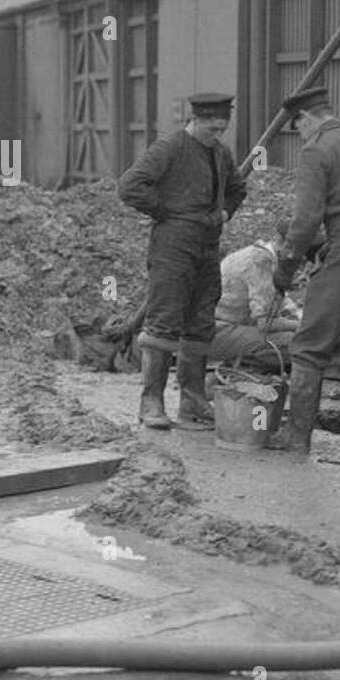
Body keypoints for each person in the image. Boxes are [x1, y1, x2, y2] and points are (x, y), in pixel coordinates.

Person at [267, 87, 340, 457]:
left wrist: (285, 268)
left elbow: (305, 221)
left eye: (297, 126)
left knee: (309, 346)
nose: (298, 133)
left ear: (307, 118)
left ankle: (297, 438)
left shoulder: (317, 149)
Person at [118, 93, 246, 430]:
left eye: (222, 128)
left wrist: (224, 212)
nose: (216, 133)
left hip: (207, 247)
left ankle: (192, 404)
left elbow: (237, 188)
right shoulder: (170, 148)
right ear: (195, 120)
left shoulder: (220, 152)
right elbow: (130, 186)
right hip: (172, 247)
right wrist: (166, 211)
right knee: (163, 323)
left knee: (201, 324)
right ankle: (151, 404)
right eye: (211, 127)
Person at [209, 217, 301, 373]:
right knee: (298, 344)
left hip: (225, 327)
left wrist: (296, 314)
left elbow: (278, 300)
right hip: (217, 331)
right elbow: (266, 323)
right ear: (280, 241)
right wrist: (301, 325)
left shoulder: (263, 255)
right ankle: (239, 368)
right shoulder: (260, 261)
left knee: (297, 335)